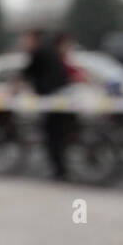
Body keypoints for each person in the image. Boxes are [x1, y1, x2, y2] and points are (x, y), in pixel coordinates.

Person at [21, 29, 74, 180]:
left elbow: (27, 73)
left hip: (53, 100)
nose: (24, 43)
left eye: (26, 39)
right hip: (60, 97)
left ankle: (59, 171)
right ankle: (61, 169)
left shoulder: (39, 52)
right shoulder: (50, 51)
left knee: (52, 135)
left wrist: (13, 88)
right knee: (59, 135)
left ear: (34, 39)